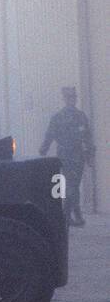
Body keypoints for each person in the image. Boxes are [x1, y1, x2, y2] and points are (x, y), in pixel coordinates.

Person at [40, 86, 94, 227]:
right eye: (69, 97)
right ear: (64, 99)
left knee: (73, 184)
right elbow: (49, 135)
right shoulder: (58, 117)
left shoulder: (81, 116)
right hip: (65, 156)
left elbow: (87, 136)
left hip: (78, 155)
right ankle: (73, 215)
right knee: (72, 185)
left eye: (74, 97)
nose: (72, 99)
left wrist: (90, 154)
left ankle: (68, 215)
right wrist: (43, 149)